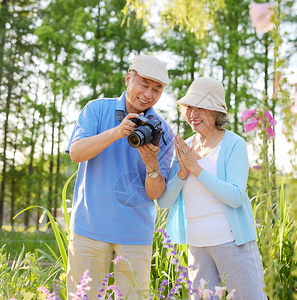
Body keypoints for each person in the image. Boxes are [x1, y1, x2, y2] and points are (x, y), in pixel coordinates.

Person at [65, 54, 175, 300]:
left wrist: (151, 163)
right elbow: (76, 153)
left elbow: (156, 194)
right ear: (128, 79)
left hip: (136, 235)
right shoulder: (96, 109)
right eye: (144, 84)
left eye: (157, 89)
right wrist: (116, 132)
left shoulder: (163, 131)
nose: (149, 94)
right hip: (89, 229)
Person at [157, 77, 267, 299]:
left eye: (200, 108)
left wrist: (195, 169)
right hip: (197, 247)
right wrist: (182, 171)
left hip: (232, 244)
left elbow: (235, 196)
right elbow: (164, 201)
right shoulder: (184, 148)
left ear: (216, 112)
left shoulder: (234, 144)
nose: (192, 114)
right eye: (189, 107)